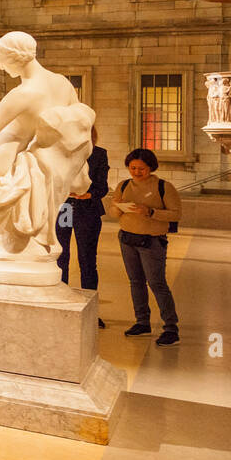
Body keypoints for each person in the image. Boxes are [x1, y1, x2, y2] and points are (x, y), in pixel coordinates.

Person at [106, 148, 182, 346]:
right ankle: (142, 321)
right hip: (127, 239)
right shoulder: (123, 186)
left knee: (157, 283)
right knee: (135, 281)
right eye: (132, 168)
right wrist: (117, 206)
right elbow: (114, 214)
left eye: (141, 168)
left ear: (151, 167)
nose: (136, 172)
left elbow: (175, 214)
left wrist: (150, 211)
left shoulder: (164, 186)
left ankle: (171, 327)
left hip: (152, 242)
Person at [56, 126, 109, 329]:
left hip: (87, 210)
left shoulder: (99, 154)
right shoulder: (63, 154)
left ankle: (91, 310)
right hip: (66, 209)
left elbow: (102, 187)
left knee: (87, 259)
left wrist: (88, 194)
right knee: (62, 256)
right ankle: (61, 303)